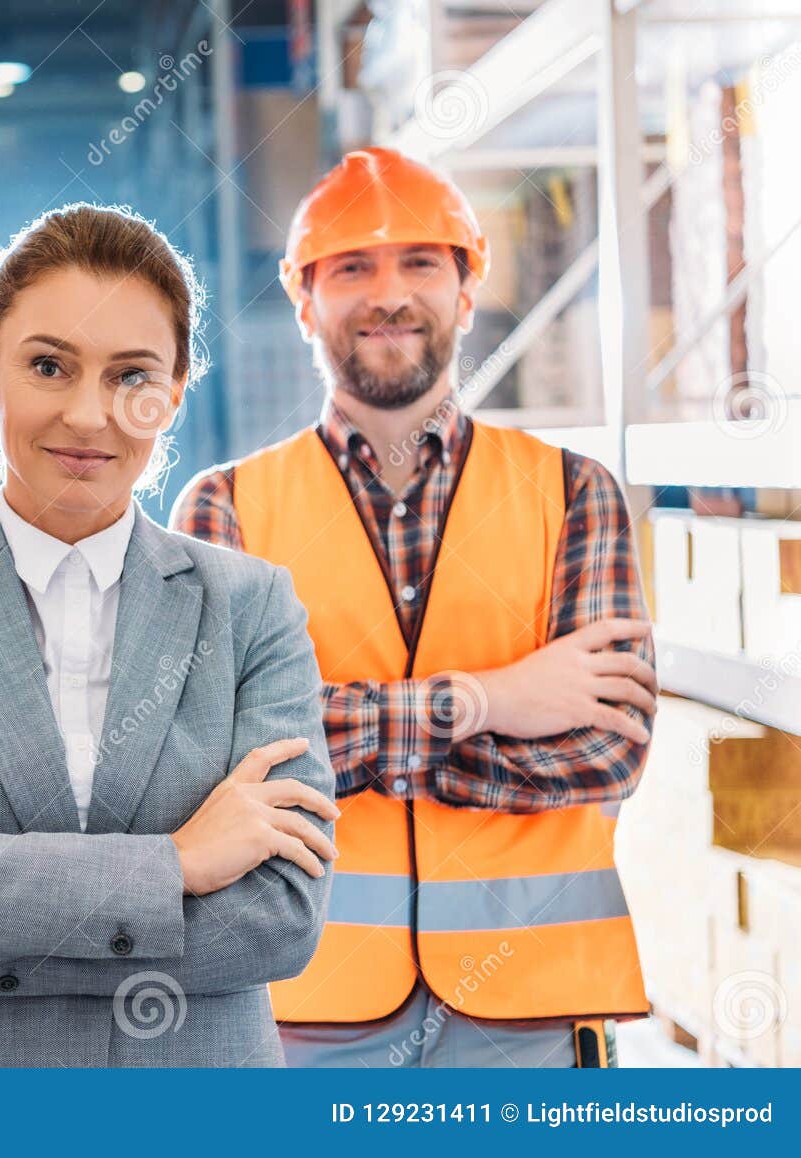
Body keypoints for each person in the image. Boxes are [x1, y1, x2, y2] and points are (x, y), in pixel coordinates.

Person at [0, 203, 338, 1068]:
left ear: (173, 393)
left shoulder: (251, 608)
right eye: (50, 365)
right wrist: (178, 865)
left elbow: (279, 922)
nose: (90, 416)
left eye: (132, 375)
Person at [172, 147, 656, 1068]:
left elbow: (608, 752)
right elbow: (208, 754)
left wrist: (338, 745)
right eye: (352, 267)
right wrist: (492, 702)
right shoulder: (223, 507)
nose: (388, 294)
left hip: (529, 1017)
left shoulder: (575, 493)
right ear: (304, 297)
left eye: (421, 263)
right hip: (302, 1006)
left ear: (467, 290)